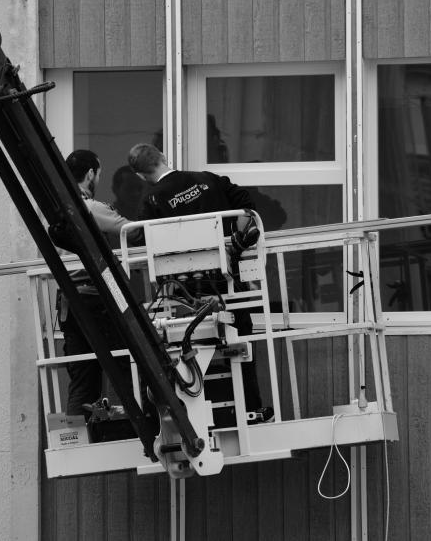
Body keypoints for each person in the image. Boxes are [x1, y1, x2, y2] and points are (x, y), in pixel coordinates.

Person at [127, 143, 272, 423]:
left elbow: (139, 240)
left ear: (141, 176)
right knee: (241, 337)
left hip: (186, 293)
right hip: (228, 281)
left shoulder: (153, 201)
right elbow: (246, 204)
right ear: (164, 157)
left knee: (185, 349)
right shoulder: (207, 179)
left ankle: (193, 415)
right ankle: (250, 407)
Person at [57, 149, 136, 418]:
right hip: (97, 298)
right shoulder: (89, 208)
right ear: (90, 174)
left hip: (69, 302)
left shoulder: (57, 210)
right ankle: (135, 427)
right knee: (127, 366)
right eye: (98, 174)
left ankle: (75, 440)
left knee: (82, 379)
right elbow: (131, 230)